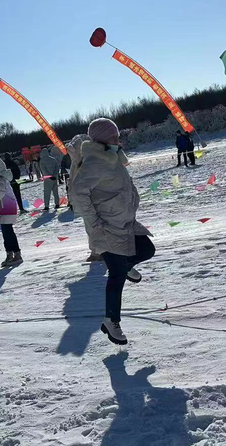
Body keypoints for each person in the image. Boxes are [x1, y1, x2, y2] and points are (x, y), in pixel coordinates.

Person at [71, 118, 155, 346]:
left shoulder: (113, 157)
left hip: (124, 221)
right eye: (113, 136)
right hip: (106, 228)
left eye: (117, 136)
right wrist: (94, 221)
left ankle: (128, 267)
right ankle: (111, 321)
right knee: (116, 275)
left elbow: (123, 184)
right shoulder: (95, 162)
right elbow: (78, 194)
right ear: (101, 139)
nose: (118, 140)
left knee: (147, 248)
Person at [0, 154, 23, 267]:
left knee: (8, 232)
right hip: (4, 207)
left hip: (5, 207)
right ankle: (11, 254)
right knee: (6, 232)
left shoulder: (0, 178)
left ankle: (15, 254)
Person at [68, 133, 101, 262]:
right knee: (90, 226)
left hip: (91, 199)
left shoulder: (88, 162)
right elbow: (72, 181)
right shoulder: (76, 163)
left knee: (94, 226)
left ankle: (99, 251)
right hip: (83, 199)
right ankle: (96, 250)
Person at [40, 146, 62, 210]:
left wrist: (49, 176)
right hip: (55, 178)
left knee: (47, 193)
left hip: (47, 179)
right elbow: (57, 168)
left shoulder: (42, 161)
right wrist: (54, 175)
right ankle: (57, 204)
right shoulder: (53, 159)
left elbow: (44, 170)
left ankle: (46, 206)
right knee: (55, 192)